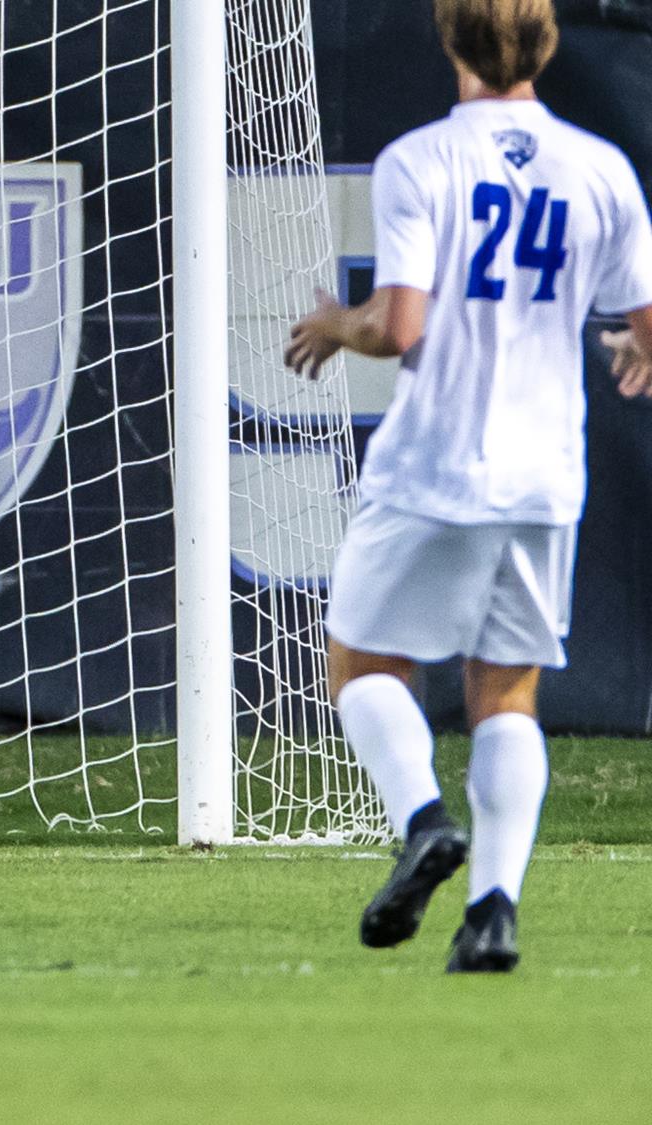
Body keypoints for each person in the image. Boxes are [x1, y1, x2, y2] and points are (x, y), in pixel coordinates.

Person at [284, 0, 652, 972]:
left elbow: (400, 326)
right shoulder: (598, 169)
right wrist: (627, 348)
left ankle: (422, 820)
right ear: (545, 45)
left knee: (361, 669)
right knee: (506, 694)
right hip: (544, 476)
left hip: (435, 461)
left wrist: (336, 324)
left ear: (448, 42)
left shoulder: (422, 160)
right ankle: (492, 910)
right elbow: (643, 323)